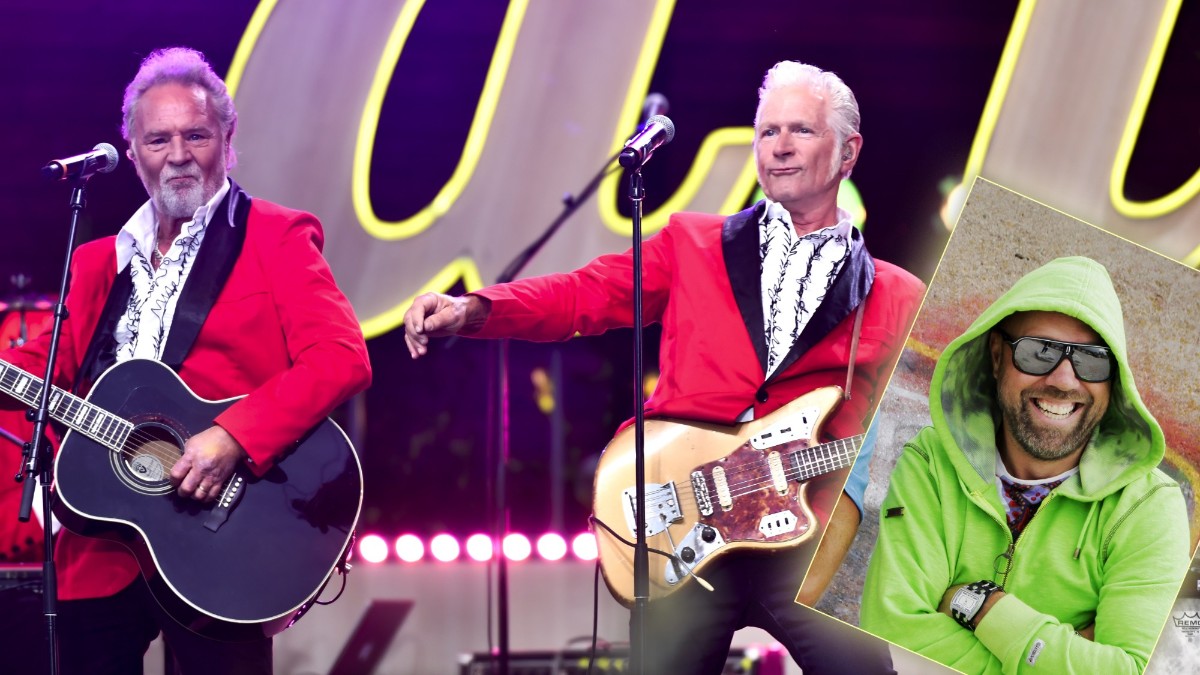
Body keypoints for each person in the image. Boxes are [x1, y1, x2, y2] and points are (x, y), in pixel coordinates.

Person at [405, 61, 924, 675]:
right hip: (680, 518)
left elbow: (916, 433)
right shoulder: (692, 243)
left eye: (801, 131)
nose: (780, 146)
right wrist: (473, 309)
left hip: (807, 534)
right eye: (767, 131)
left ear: (848, 151)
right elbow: (584, 295)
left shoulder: (899, 295)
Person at [0, 47, 372, 674]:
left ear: (228, 141)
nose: (177, 154)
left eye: (196, 134)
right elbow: (47, 366)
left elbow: (341, 358)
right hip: (104, 537)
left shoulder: (276, 236)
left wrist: (233, 435)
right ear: (133, 149)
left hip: (223, 539)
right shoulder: (97, 259)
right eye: (158, 139)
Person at [860, 256, 1189, 674]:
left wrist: (982, 607)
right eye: (1040, 352)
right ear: (997, 356)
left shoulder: (1147, 508)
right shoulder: (932, 464)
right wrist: (1061, 650)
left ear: (1113, 380)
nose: (1064, 380)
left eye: (1091, 360)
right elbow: (889, 634)